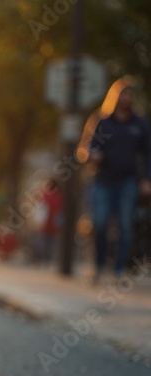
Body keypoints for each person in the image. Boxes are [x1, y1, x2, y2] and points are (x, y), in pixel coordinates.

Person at [88, 81, 151, 282]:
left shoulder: (139, 124)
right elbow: (88, 148)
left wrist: (147, 179)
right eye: (123, 94)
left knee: (126, 226)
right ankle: (98, 266)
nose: (126, 98)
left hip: (128, 181)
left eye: (129, 95)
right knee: (100, 224)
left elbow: (148, 154)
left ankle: (118, 269)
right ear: (115, 96)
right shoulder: (102, 122)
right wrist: (93, 155)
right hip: (103, 181)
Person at [38, 179, 63, 266]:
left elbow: (41, 208)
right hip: (55, 223)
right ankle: (50, 258)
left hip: (46, 222)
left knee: (45, 241)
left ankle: (45, 259)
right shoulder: (59, 196)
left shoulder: (45, 195)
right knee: (53, 241)